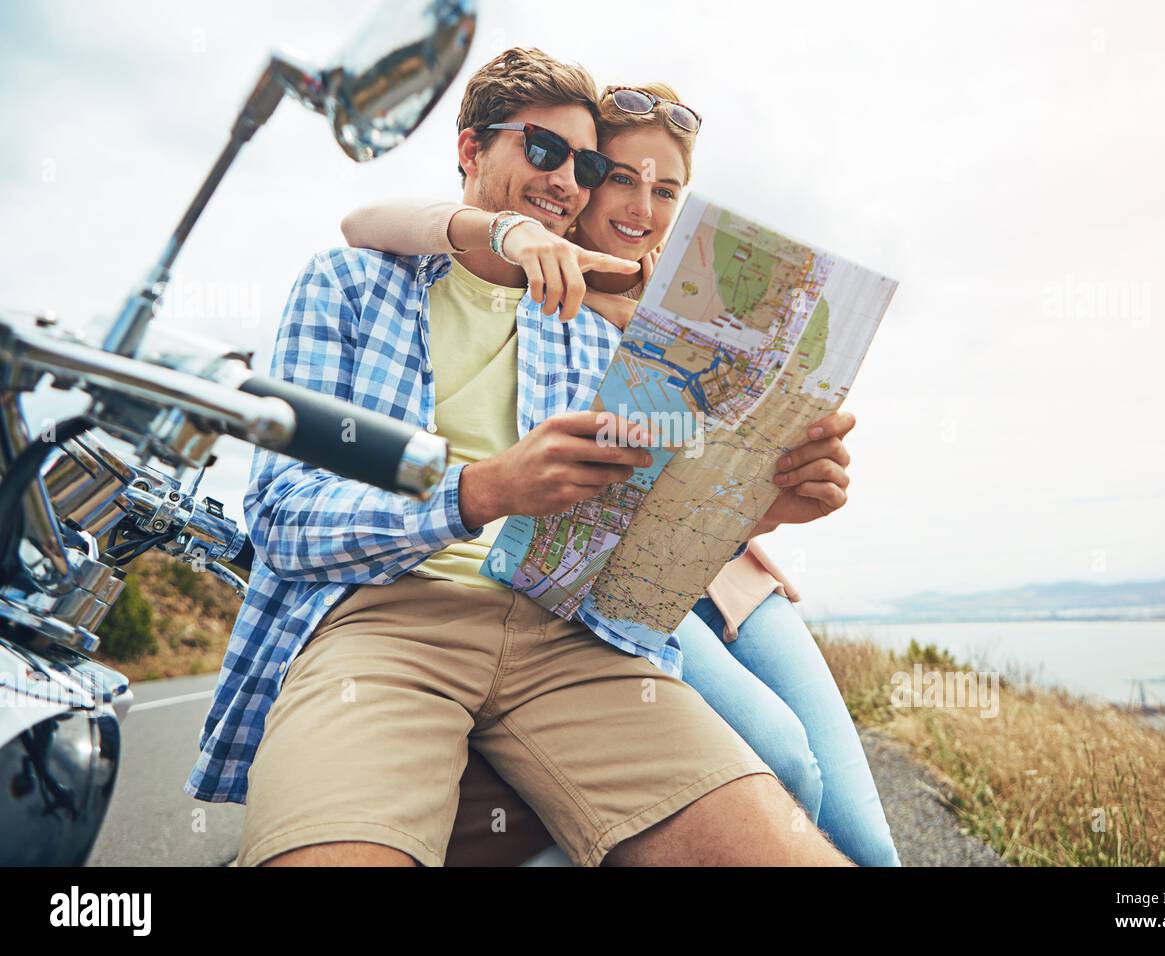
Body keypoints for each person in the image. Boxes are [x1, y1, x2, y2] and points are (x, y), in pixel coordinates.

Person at [185, 46, 856, 867]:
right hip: (385, 620)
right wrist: (481, 490)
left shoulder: (593, 323)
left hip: (568, 632)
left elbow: (625, 530)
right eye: (543, 150)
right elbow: (283, 519)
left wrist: (771, 503)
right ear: (470, 150)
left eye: (586, 164)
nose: (568, 180)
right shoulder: (350, 283)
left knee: (799, 833)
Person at [340, 79, 901, 866]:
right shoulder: (534, 282)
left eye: (667, 189)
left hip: (729, 567)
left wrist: (792, 485)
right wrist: (507, 231)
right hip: (611, 575)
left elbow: (711, 469)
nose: (642, 207)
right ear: (581, 186)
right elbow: (367, 221)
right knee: (786, 763)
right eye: (621, 179)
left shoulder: (690, 305)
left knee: (871, 841)